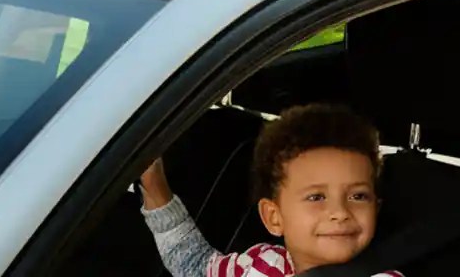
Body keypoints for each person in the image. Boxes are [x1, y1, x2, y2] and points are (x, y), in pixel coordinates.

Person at [139, 103, 404, 277]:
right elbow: (195, 266)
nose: (339, 212)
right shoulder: (262, 264)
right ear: (273, 217)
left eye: (358, 196)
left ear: (375, 208)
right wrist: (155, 187)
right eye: (316, 197)